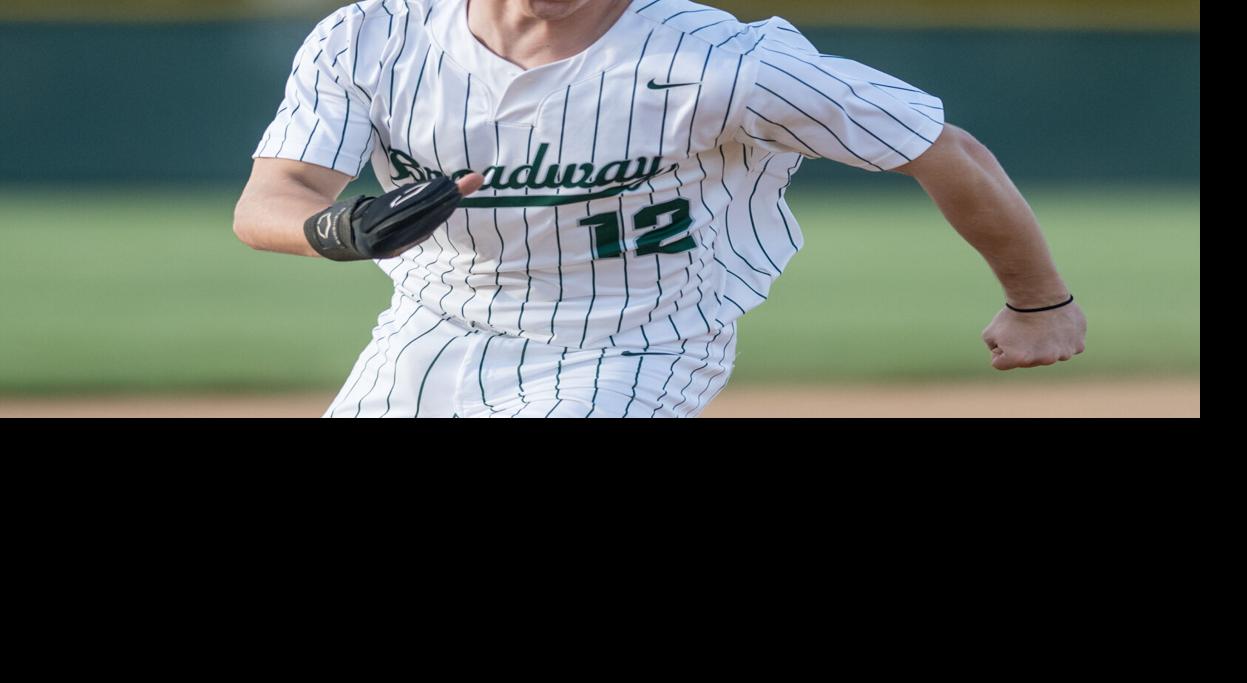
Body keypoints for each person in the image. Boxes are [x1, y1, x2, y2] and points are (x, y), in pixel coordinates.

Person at [233, 0, 1087, 418]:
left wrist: (1039, 299)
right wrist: (336, 229)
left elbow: (944, 149)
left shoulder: (723, 62)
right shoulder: (371, 38)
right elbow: (273, 199)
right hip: (433, 327)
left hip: (640, 338)